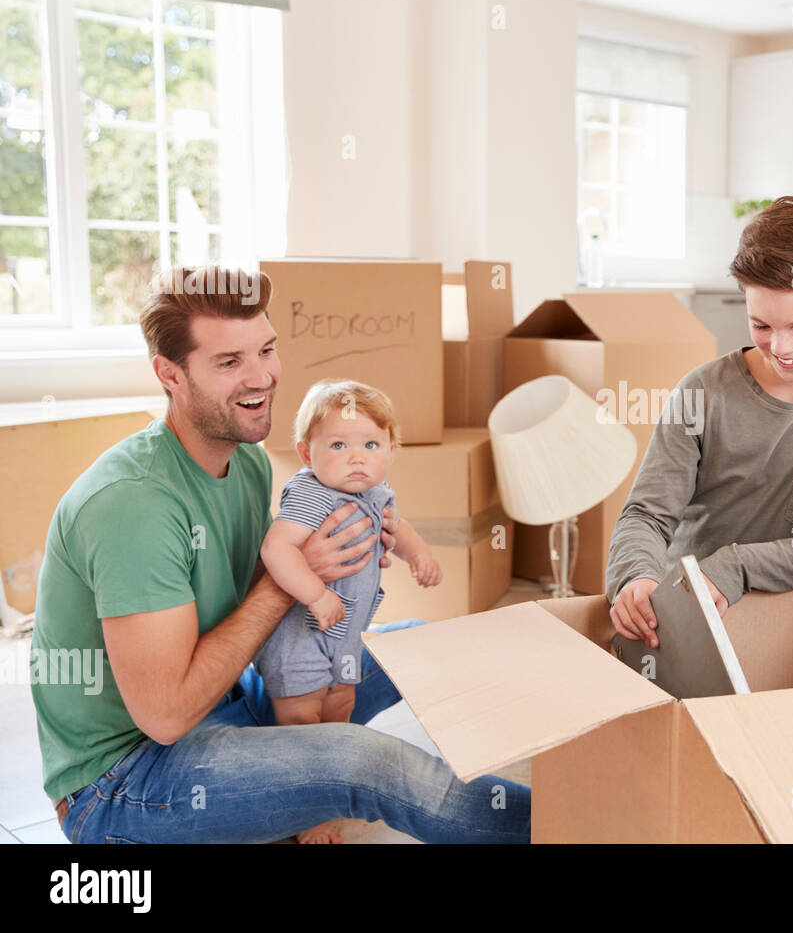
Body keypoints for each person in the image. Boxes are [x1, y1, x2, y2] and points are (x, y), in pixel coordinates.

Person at [29, 266, 529, 843]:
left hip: (229, 702)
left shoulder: (247, 461)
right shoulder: (131, 504)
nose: (261, 377)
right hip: (126, 782)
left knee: (420, 643)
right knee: (365, 763)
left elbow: (261, 599)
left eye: (266, 349)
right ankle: (587, 826)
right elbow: (164, 717)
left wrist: (354, 550)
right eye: (228, 362)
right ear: (169, 374)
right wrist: (295, 578)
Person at [606, 187, 793, 647]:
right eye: (761, 325)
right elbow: (647, 515)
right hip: (686, 618)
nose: (781, 347)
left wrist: (737, 565)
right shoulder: (703, 391)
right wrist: (634, 576)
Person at [255, 378, 442, 843]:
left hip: (346, 638)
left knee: (340, 709)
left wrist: (417, 554)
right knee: (302, 727)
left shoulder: (377, 494)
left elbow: (396, 530)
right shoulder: (311, 495)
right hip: (301, 640)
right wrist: (316, 594)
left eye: (371, 444)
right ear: (306, 453)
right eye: (338, 444)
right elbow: (277, 550)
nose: (357, 457)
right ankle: (305, 815)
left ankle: (331, 786)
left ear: (391, 448)